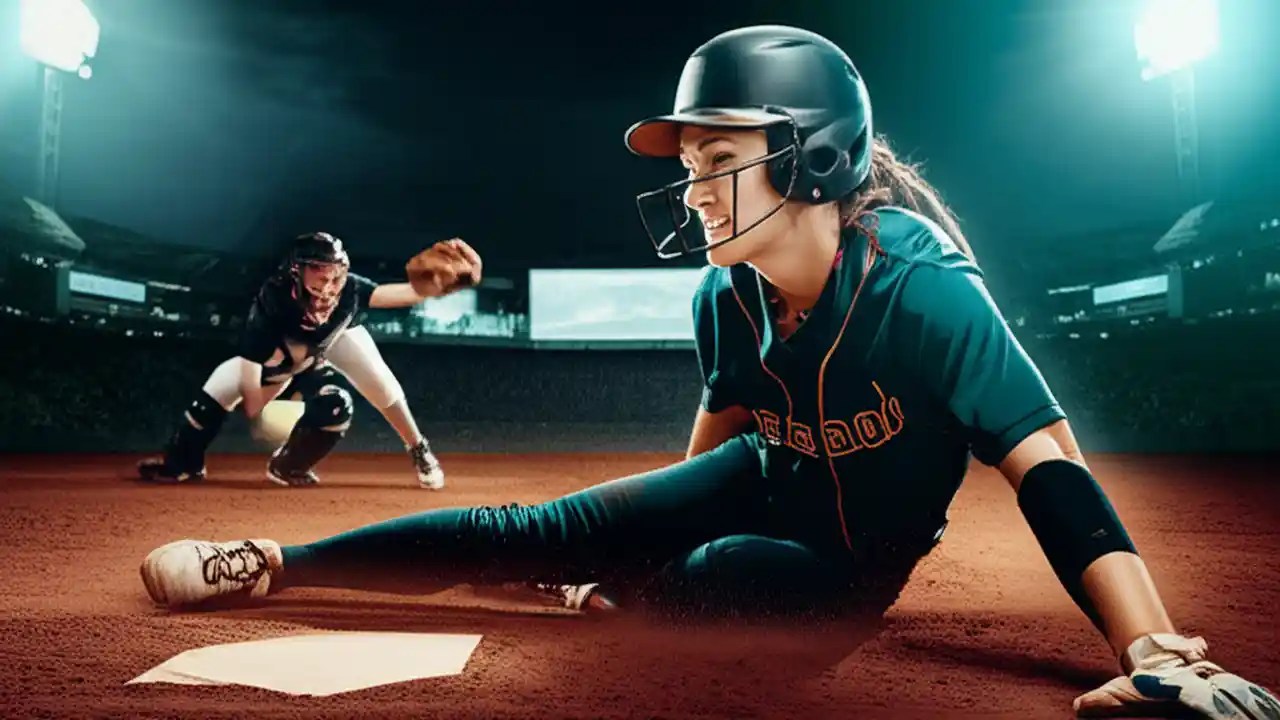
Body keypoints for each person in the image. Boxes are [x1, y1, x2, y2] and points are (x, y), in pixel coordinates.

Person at [137, 26, 1278, 719]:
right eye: (690, 164)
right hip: (751, 479)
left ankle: (621, 592)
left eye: (719, 161)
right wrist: (619, 543)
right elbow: (711, 444)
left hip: (845, 565)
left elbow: (1048, 468)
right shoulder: (721, 291)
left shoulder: (920, 289)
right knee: (549, 528)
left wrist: (1146, 646)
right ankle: (273, 563)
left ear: (817, 158)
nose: (691, 189)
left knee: (727, 573)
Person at [136, 232, 482, 489]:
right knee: (216, 392)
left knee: (381, 386)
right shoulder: (272, 300)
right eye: (318, 271)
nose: (329, 283)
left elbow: (403, 294)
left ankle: (417, 447)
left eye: (334, 273)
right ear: (296, 272)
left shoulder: (348, 290)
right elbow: (253, 387)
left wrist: (444, 287)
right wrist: (276, 394)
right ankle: (183, 462)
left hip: (332, 340)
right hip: (286, 355)